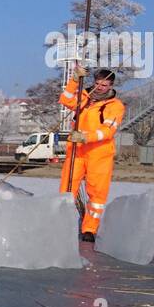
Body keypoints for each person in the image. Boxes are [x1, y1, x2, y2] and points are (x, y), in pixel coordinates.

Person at [60, 67, 125, 242]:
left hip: (99, 154)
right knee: (67, 189)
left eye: (104, 85)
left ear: (111, 85)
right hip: (77, 151)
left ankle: (89, 229)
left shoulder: (115, 106)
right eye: (97, 83)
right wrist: (74, 79)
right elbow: (65, 99)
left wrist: (85, 137)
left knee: (96, 194)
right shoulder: (84, 98)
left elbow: (108, 131)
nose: (100, 87)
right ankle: (60, 224)